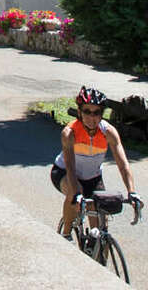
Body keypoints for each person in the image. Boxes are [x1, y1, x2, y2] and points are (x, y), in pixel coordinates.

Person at [52, 86, 139, 239]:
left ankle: (99, 257)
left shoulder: (108, 132)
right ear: (79, 112)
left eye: (96, 112)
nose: (92, 117)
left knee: (101, 227)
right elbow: (71, 168)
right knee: (75, 191)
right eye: (87, 112)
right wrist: (77, 194)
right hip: (64, 172)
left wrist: (132, 192)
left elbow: (123, 164)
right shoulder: (69, 133)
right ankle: (65, 234)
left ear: (101, 114)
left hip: (92, 178)